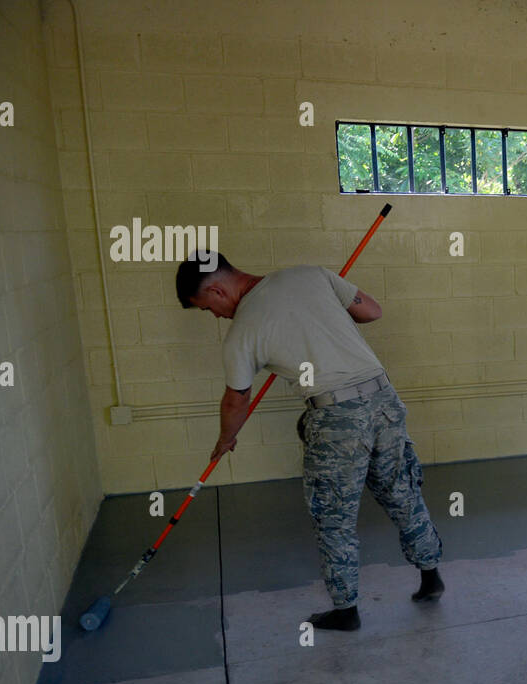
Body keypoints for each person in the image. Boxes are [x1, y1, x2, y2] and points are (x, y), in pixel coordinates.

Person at [175, 253, 444, 631]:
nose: (216, 317)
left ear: (218, 289)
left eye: (209, 309)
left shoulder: (241, 334)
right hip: (384, 400)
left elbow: (237, 398)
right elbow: (372, 312)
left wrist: (226, 439)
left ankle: (346, 610)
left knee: (334, 516)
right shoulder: (309, 275)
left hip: (338, 417)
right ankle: (431, 575)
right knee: (402, 492)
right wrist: (324, 317)